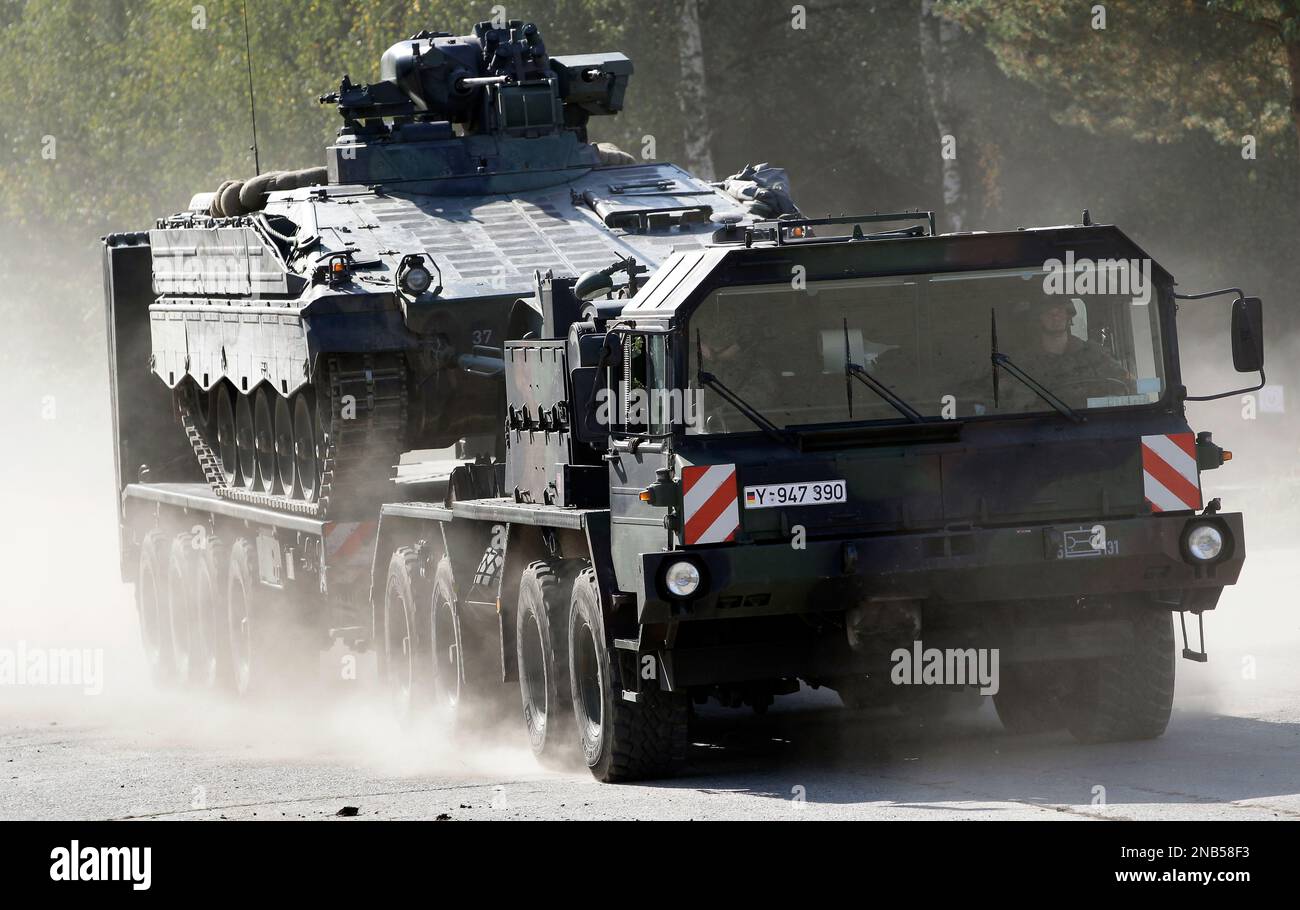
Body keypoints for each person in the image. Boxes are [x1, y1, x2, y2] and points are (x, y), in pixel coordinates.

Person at [1011, 298, 1132, 405]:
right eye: (1048, 312)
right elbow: (1014, 402)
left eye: (1060, 311)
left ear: (1069, 316)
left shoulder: (1093, 354)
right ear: (1039, 318)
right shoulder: (1024, 362)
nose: (1055, 316)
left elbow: (1125, 383)